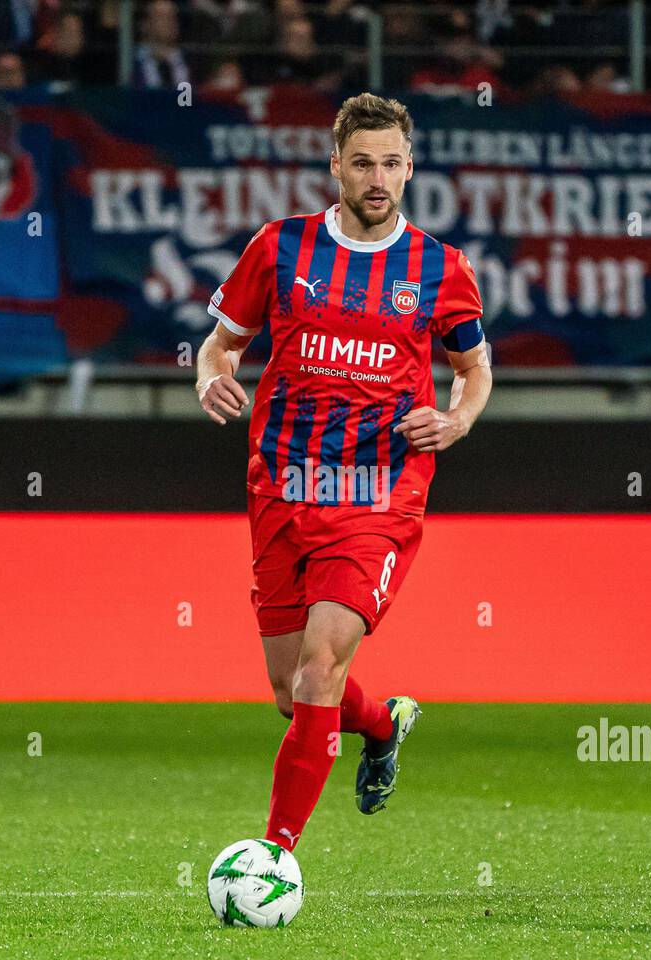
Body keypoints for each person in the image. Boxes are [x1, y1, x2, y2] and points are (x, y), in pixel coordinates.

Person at [194, 93, 491, 851]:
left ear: (410, 167)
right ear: (336, 166)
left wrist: (456, 419)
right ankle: (382, 723)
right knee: (291, 692)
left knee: (320, 668)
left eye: (392, 162)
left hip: (380, 492)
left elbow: (474, 368)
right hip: (283, 487)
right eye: (363, 162)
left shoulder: (440, 268)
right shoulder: (280, 248)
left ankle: (275, 855)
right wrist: (209, 376)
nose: (378, 176)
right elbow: (220, 344)